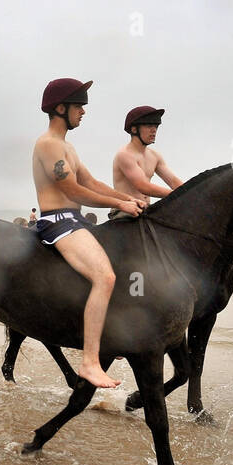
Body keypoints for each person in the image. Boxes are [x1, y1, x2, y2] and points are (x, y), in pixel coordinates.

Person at [30, 78, 142, 389]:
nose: (84, 111)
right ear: (60, 108)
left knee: (121, 264)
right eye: (79, 106)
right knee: (104, 277)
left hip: (76, 221)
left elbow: (92, 184)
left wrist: (126, 199)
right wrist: (119, 203)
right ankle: (90, 363)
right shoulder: (47, 144)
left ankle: (109, 334)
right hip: (58, 221)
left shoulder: (68, 146)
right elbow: (72, 190)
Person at [109, 106, 185, 219]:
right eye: (149, 126)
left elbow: (173, 181)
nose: (154, 130)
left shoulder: (155, 156)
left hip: (147, 210)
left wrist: (192, 192)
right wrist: (177, 195)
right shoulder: (124, 155)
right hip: (125, 212)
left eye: (156, 126)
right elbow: (143, 186)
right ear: (134, 129)